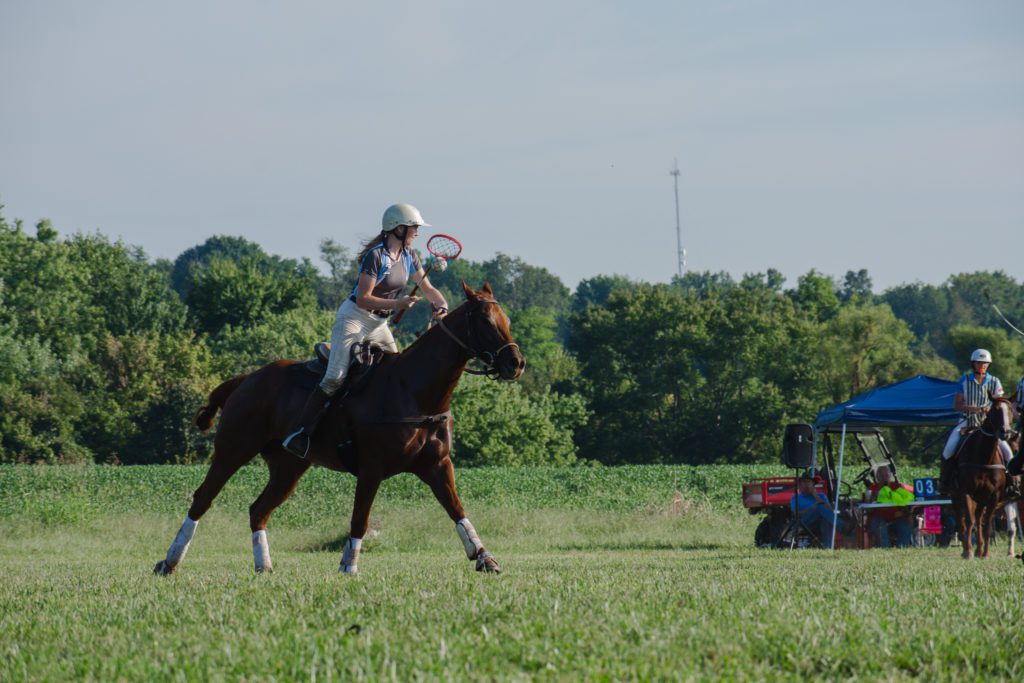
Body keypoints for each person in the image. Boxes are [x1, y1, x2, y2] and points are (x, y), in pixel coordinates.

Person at [282, 203, 449, 458]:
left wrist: (441, 305)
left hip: (378, 325)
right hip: (355, 319)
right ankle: (300, 433)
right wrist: (398, 303)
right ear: (399, 228)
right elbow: (363, 299)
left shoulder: (409, 255)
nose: (417, 232)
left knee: (398, 374)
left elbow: (427, 288)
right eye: (414, 228)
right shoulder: (376, 256)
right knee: (335, 377)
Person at [939, 348, 1012, 492]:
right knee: (948, 450)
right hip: (967, 422)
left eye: (985, 363)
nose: (982, 365)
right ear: (973, 364)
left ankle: (1011, 484)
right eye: (979, 362)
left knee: (1008, 453)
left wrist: (989, 409)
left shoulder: (995, 382)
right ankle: (945, 482)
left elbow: (999, 401)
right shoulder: (964, 380)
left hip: (989, 425)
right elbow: (957, 405)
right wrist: (973, 409)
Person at [865, 466, 915, 548]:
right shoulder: (872, 489)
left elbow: (907, 502)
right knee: (880, 526)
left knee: (906, 525)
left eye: (886, 476)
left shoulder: (897, 487)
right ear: (877, 477)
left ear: (890, 477)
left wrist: (908, 514)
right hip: (879, 517)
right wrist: (872, 500)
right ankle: (885, 551)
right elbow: (868, 509)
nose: (884, 478)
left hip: (896, 517)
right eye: (881, 476)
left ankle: (901, 549)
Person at [790, 473, 843, 544]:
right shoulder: (796, 497)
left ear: (813, 484)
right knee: (820, 508)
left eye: (809, 482)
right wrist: (812, 508)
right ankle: (841, 526)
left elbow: (830, 510)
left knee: (825, 519)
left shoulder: (821, 495)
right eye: (804, 482)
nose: (807, 485)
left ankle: (828, 547)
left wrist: (816, 496)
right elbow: (796, 513)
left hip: (820, 521)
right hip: (805, 522)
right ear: (800, 485)